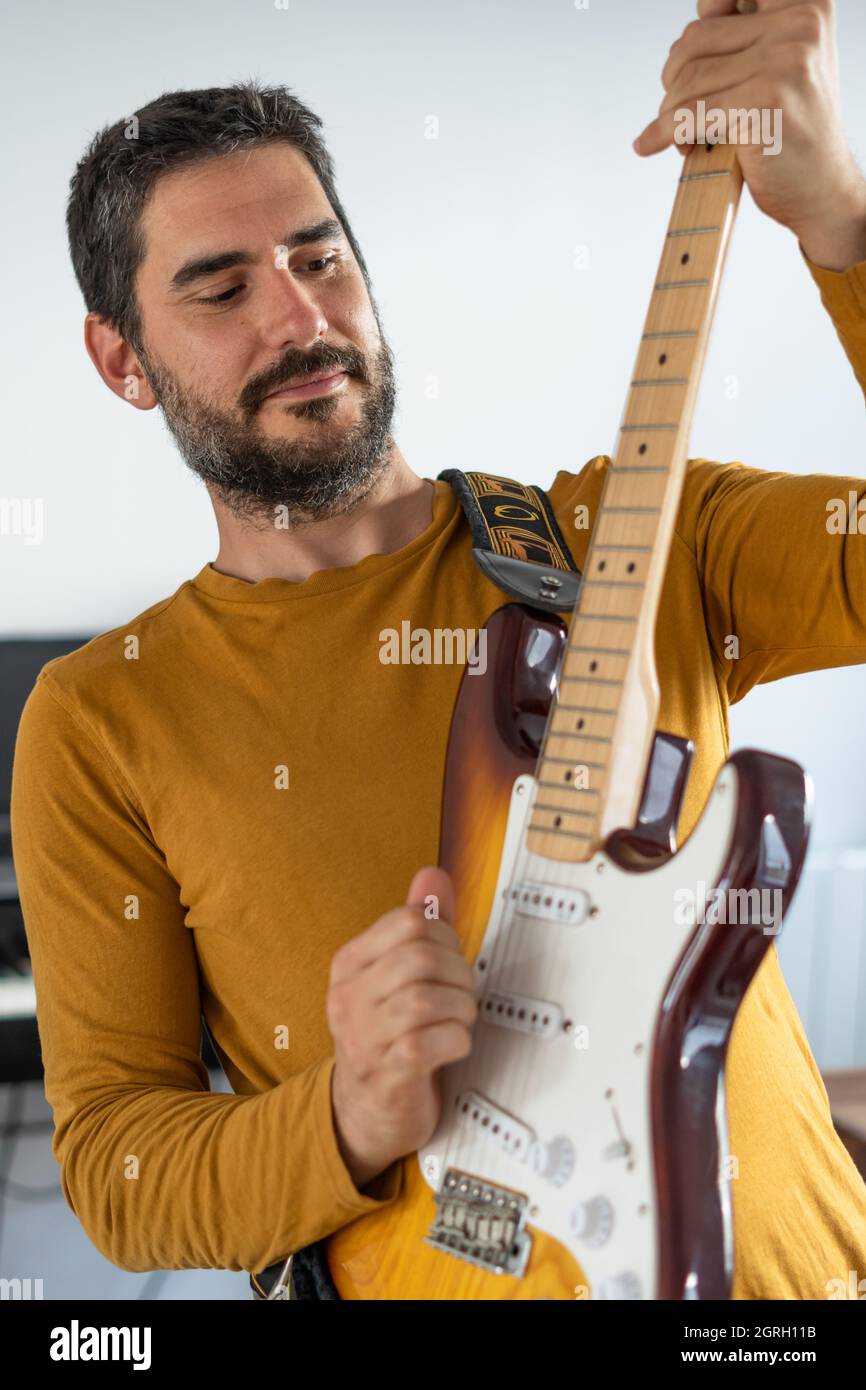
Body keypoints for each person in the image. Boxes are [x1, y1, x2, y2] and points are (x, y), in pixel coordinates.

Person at [12, 3, 866, 1300]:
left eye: (317, 257)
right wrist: (346, 1112)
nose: (295, 315)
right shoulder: (96, 719)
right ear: (121, 360)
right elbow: (122, 1165)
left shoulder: (632, 534)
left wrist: (843, 227)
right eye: (220, 285)